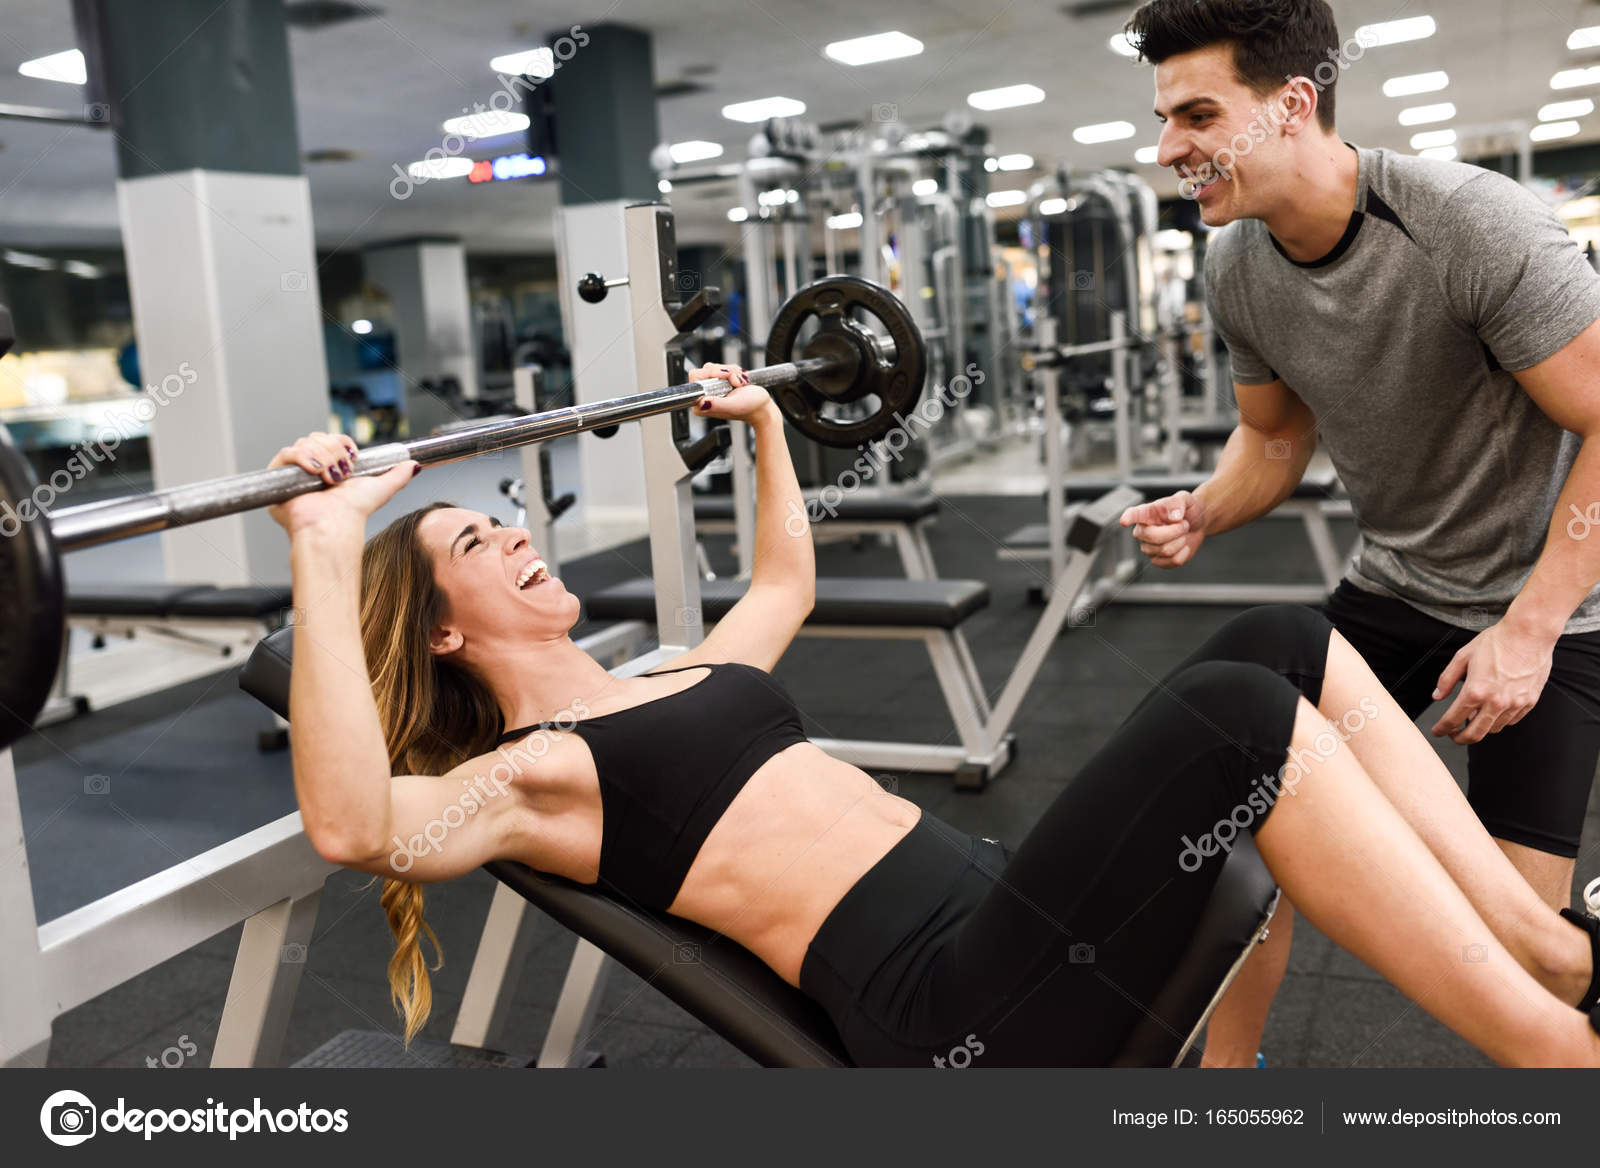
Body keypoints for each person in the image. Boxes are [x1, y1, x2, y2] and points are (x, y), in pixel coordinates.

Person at [264, 365, 1600, 1068]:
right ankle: (1553, 1046)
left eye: (506, 520)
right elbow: (349, 822)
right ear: (445, 629)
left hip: (1007, 916)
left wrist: (769, 426)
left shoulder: (669, 678)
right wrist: (323, 548)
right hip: (957, 1011)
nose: (515, 535)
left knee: (1284, 638)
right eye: (476, 544)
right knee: (1244, 722)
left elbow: (783, 577)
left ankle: (1547, 955)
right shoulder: (539, 775)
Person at [1119, 0, 1600, 1065]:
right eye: (1162, 118)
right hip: (1391, 589)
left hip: (1552, 612)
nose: (1167, 150)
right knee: (1244, 843)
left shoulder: (1469, 224)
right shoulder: (1237, 265)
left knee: (1521, 958)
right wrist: (1203, 507)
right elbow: (1273, 445)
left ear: (1291, 104)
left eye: (1196, 114)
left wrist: (1529, 630)